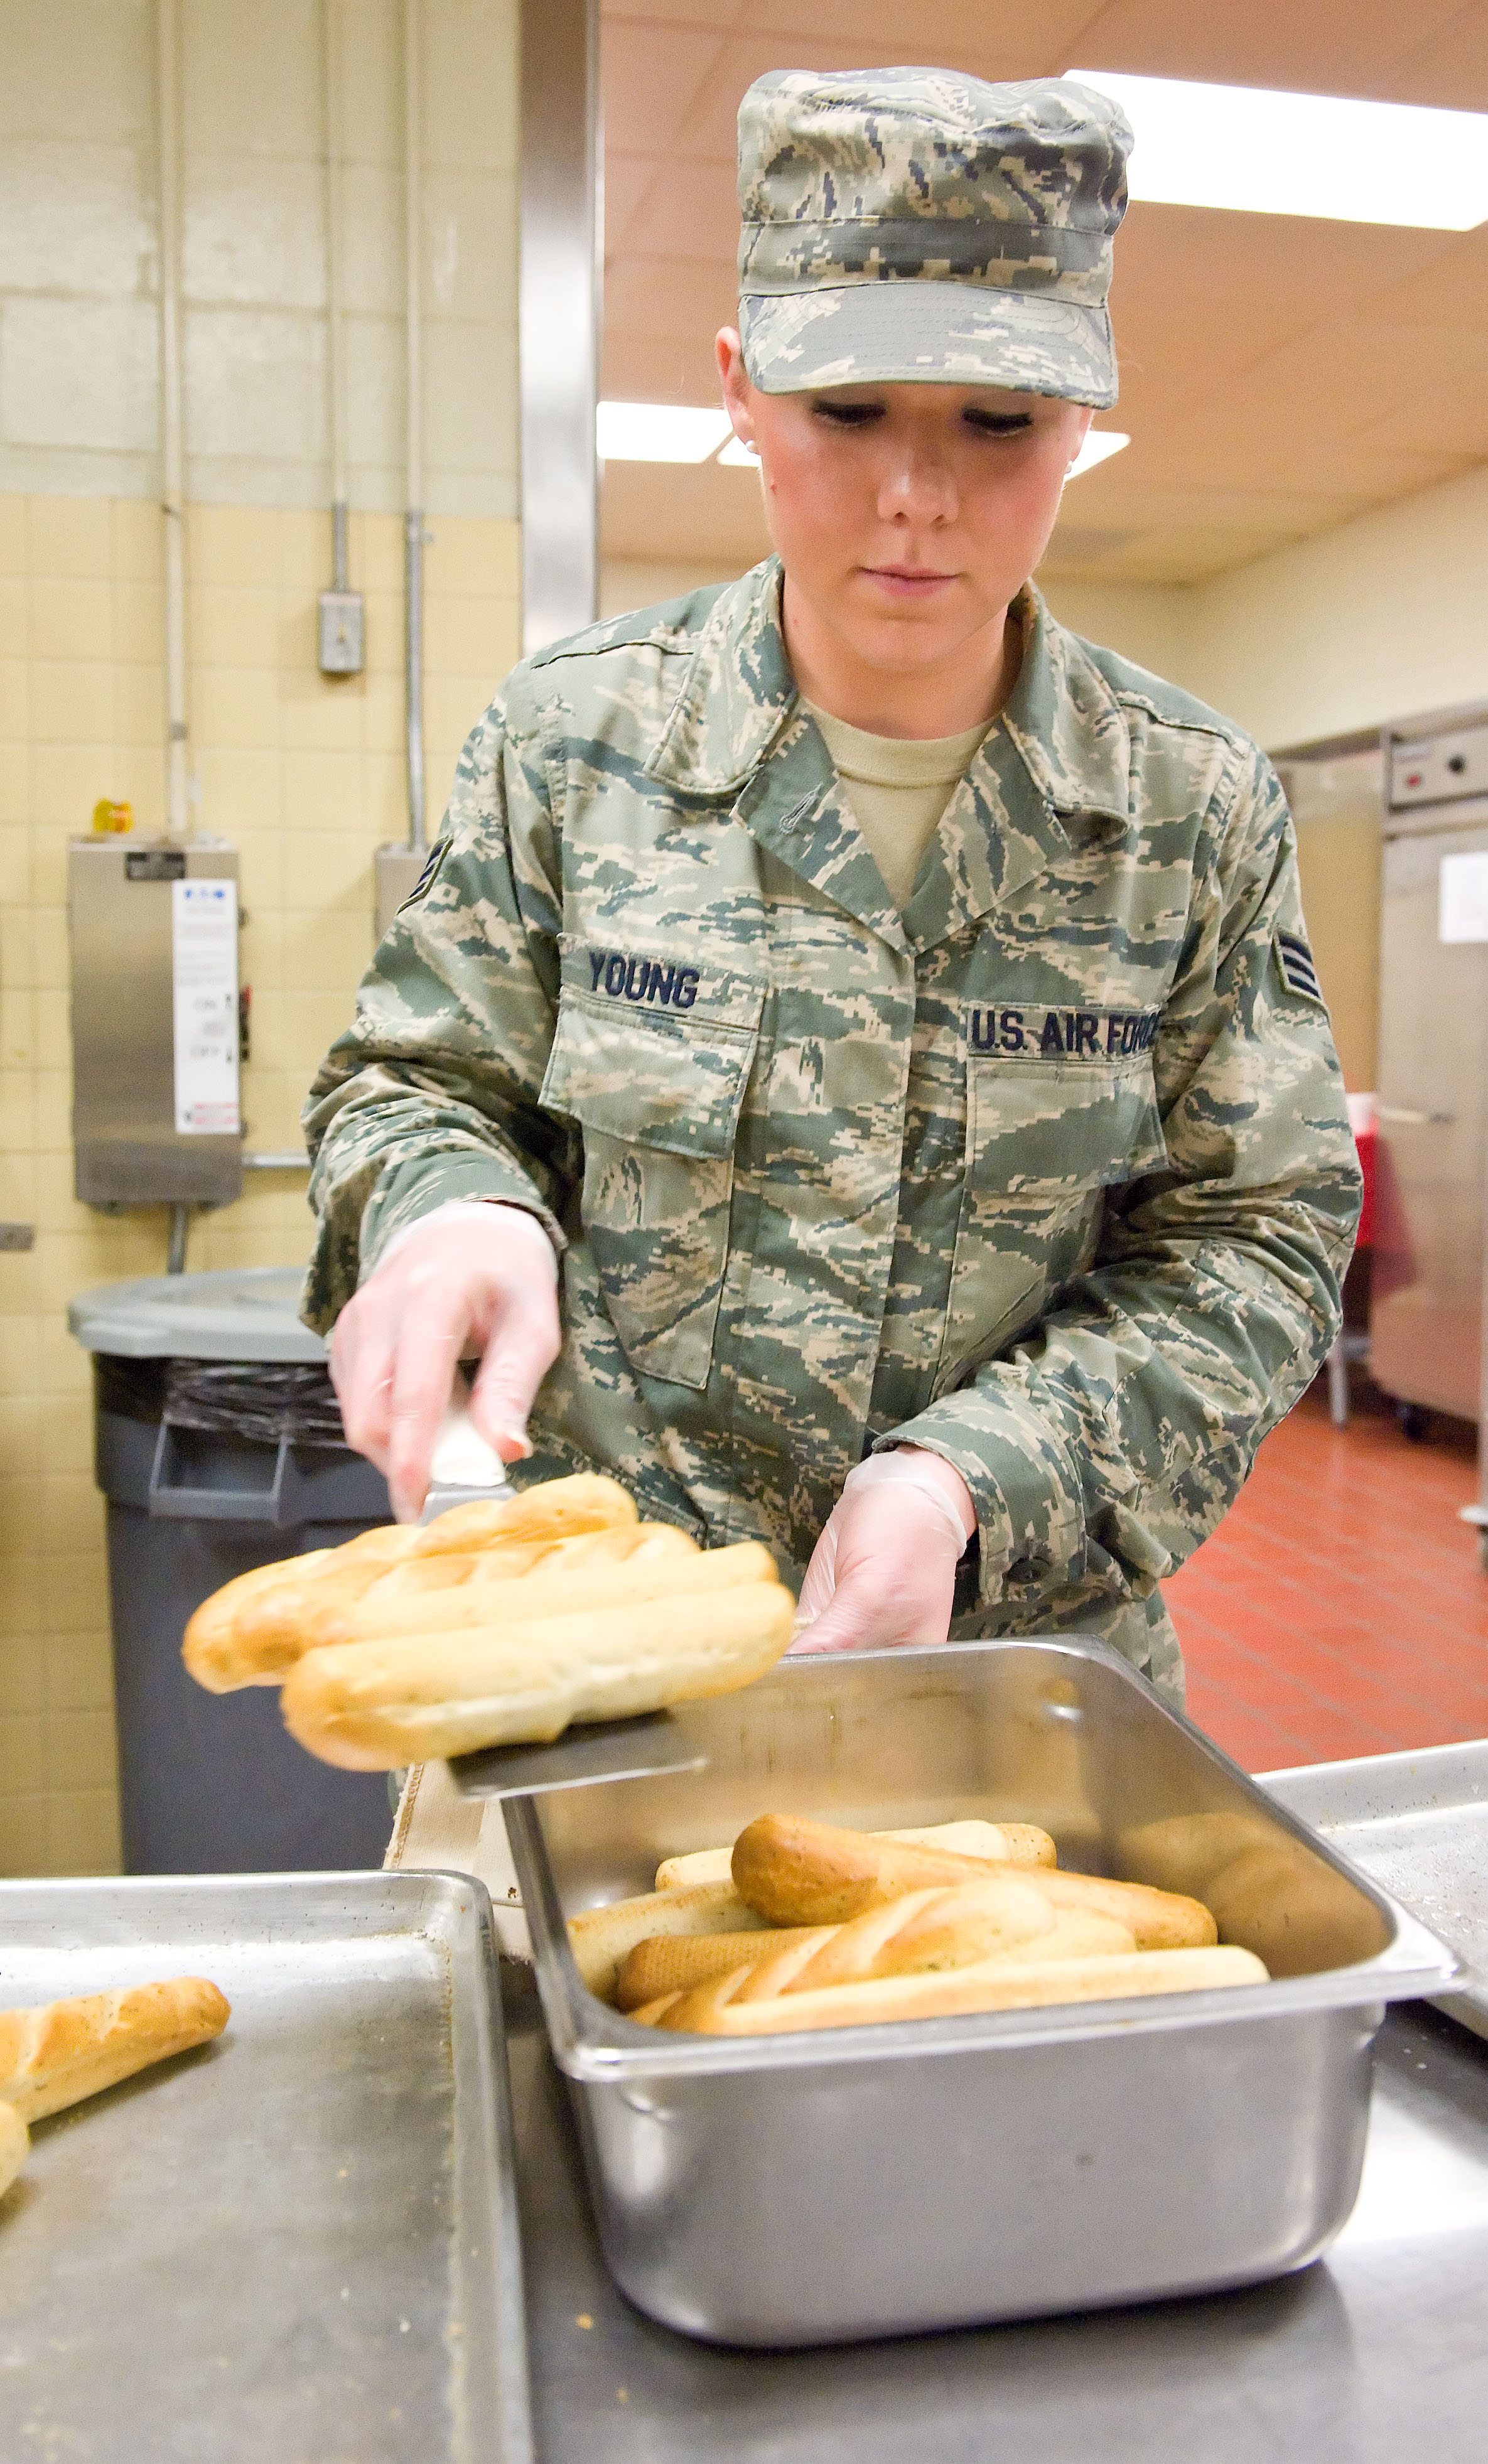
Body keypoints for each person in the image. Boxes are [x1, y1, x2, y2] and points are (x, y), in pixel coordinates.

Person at [302, 67, 1360, 1699]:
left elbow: (1256, 1236)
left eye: (996, 424)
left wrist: (968, 1480)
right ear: (739, 386)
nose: (915, 499)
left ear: (1081, 418)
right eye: (848, 410)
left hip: (1012, 1665)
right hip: (598, 1641)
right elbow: (419, 1078)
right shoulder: (575, 745)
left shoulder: (1188, 805)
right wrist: (457, 1215)